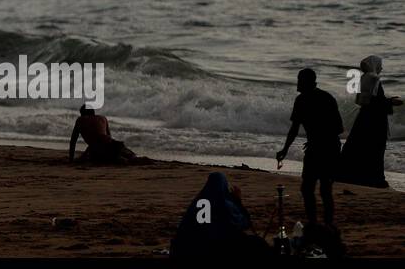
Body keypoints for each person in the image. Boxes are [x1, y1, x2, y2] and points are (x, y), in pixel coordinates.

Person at [277, 68, 343, 226]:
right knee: (311, 189)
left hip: (327, 148)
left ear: (308, 82)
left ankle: (325, 224)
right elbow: (294, 128)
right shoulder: (304, 100)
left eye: (300, 80)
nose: (297, 83)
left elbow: (339, 128)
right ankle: (317, 224)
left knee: (321, 189)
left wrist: (318, 138)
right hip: (317, 148)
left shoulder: (323, 99)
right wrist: (285, 149)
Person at [170, 172, 269, 258]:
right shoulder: (224, 204)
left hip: (187, 247)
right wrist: (238, 201)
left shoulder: (197, 203)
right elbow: (244, 223)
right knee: (258, 243)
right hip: (214, 247)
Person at [339, 55, 400, 188]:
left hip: (364, 118)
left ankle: (350, 175)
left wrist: (387, 100)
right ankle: (374, 179)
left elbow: (365, 101)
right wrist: (391, 101)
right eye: (380, 65)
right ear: (374, 65)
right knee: (374, 148)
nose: (381, 68)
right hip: (374, 121)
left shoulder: (363, 78)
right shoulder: (374, 78)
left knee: (360, 146)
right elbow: (375, 102)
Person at [68, 105, 137, 163]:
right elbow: (109, 136)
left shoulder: (80, 120)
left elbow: (73, 141)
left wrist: (71, 159)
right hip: (113, 144)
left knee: (113, 159)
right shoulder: (102, 118)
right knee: (131, 156)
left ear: (82, 114)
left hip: (97, 148)